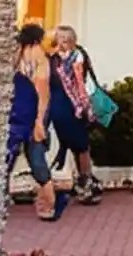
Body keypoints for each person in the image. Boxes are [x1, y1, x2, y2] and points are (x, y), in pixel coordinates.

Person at [7, 24, 67, 221]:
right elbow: (42, 92)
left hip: (22, 112)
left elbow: (42, 91)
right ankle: (49, 203)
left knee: (30, 154)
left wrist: (39, 122)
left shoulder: (25, 56)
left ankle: (51, 202)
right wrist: (40, 120)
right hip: (28, 112)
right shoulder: (36, 56)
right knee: (33, 154)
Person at [50, 26, 100, 205]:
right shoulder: (53, 58)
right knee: (73, 145)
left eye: (65, 38)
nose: (61, 41)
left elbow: (83, 81)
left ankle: (86, 182)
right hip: (60, 108)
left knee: (81, 146)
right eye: (59, 37)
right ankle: (83, 181)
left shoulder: (78, 56)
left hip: (77, 108)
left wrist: (85, 106)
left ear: (72, 39)